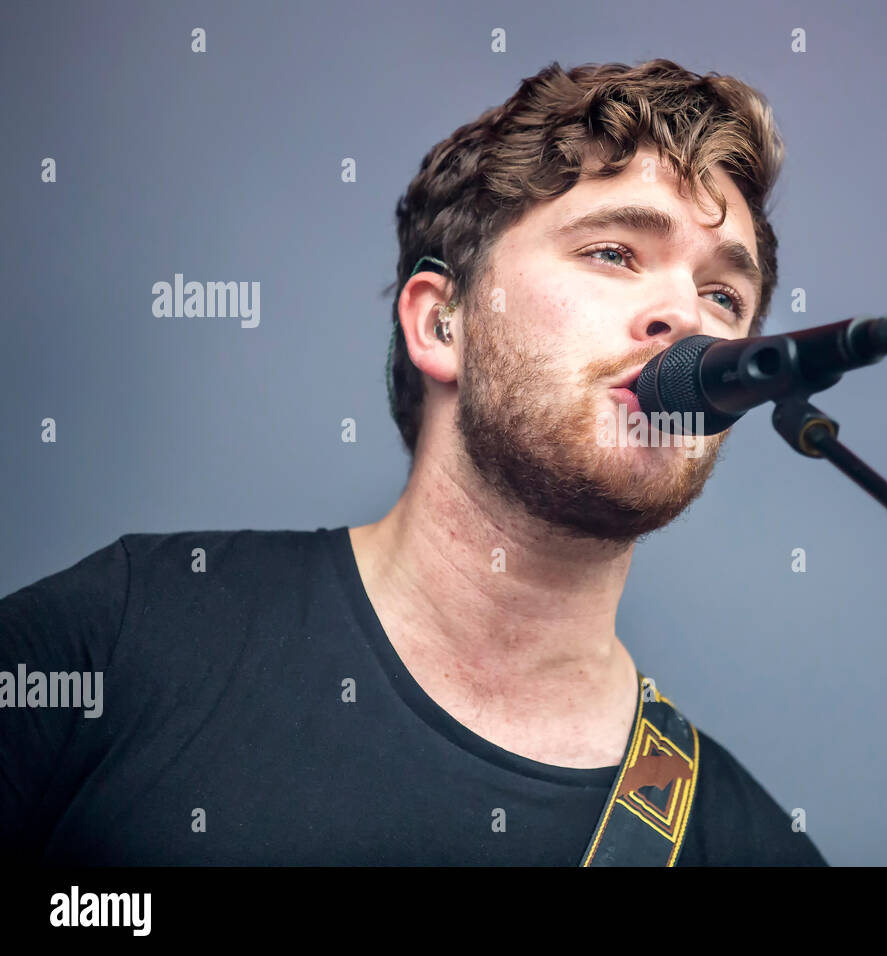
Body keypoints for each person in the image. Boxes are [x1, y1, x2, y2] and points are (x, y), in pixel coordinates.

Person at [0, 58, 827, 866]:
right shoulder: (132, 630)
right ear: (441, 326)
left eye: (725, 297)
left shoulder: (752, 844)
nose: (686, 316)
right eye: (614, 253)